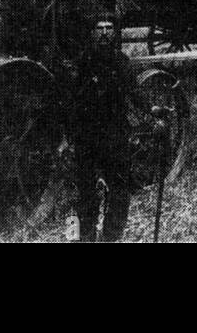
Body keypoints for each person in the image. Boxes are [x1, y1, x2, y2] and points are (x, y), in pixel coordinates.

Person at [69, 21, 135, 242]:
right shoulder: (82, 63)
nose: (105, 33)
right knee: (86, 195)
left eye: (109, 28)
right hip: (87, 137)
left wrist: (151, 110)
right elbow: (69, 101)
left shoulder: (122, 62)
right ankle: (85, 238)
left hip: (115, 136)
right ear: (92, 33)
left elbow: (134, 92)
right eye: (100, 29)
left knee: (120, 192)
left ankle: (110, 237)